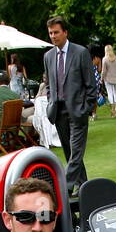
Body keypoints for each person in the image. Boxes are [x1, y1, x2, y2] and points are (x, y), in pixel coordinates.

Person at [42, 15, 97, 196]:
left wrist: (86, 108)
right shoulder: (48, 56)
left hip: (77, 110)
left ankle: (64, 188)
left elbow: (91, 85)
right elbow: (49, 84)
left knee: (76, 152)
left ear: (65, 32)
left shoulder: (80, 53)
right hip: (58, 111)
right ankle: (85, 186)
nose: (53, 36)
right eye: (50, 33)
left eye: (56, 32)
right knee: (69, 152)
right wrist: (51, 99)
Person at [100, 45, 116, 117]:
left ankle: (112, 110)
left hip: (108, 78)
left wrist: (101, 79)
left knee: (110, 93)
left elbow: (103, 71)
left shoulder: (104, 59)